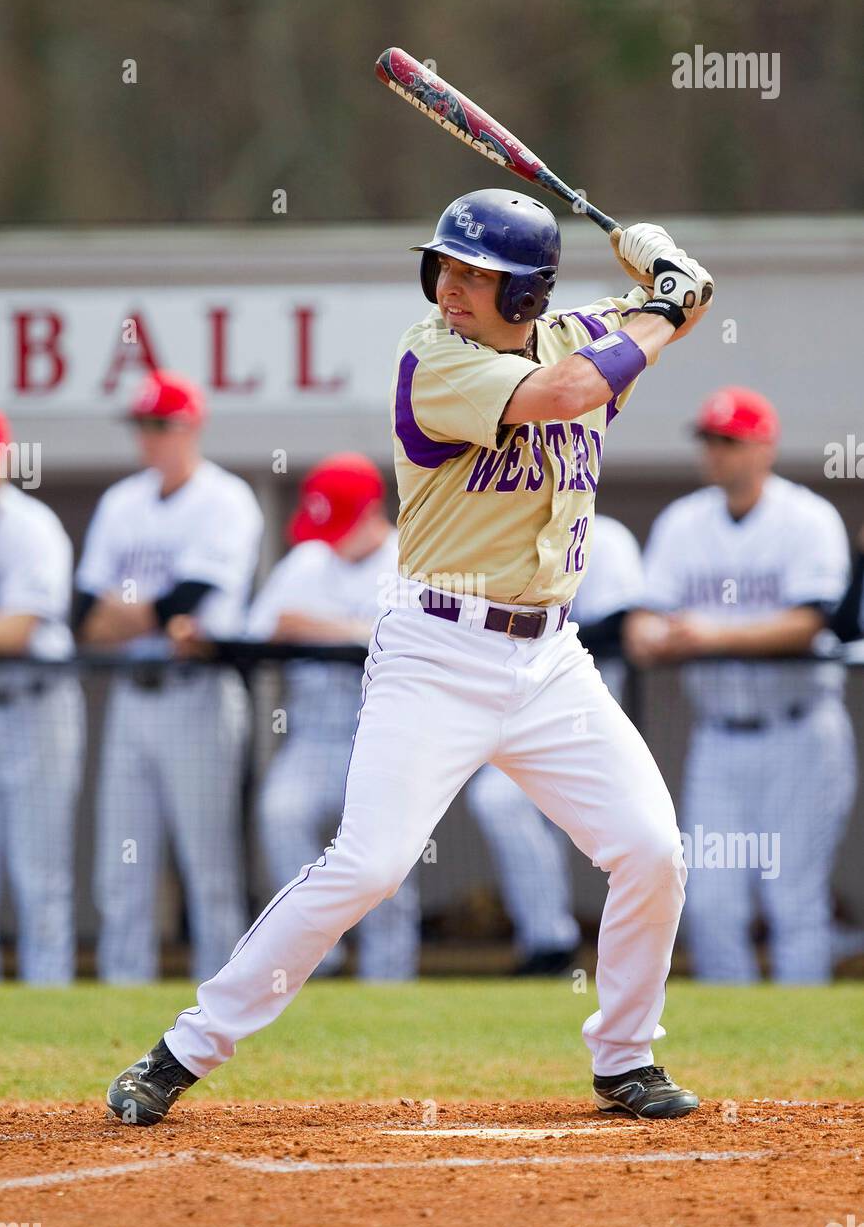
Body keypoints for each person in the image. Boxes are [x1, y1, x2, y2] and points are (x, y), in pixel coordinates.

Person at [107, 191, 713, 1124]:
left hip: (550, 658)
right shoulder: (435, 360)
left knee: (651, 850)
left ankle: (625, 1058)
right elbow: (574, 390)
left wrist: (664, 263)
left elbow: (667, 315)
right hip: (437, 650)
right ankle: (183, 1050)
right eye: (448, 268)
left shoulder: (575, 337)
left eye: (479, 275)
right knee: (370, 865)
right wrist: (665, 301)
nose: (454, 289)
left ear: (528, 294)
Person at [624, 387, 856, 982]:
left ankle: (801, 1058)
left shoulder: (807, 517)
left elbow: (811, 623)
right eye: (711, 441)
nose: (718, 453)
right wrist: (649, 634)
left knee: (793, 899)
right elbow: (647, 612)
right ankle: (735, 1056)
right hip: (719, 737)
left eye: (730, 441)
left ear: (764, 447)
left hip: (799, 730)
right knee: (710, 903)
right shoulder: (683, 521)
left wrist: (710, 634)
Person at [75, 372, 263, 982]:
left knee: (210, 869)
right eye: (143, 427)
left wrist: (134, 614)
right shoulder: (121, 501)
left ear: (189, 426)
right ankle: (119, 999)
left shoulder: (226, 498)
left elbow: (187, 602)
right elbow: (83, 615)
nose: (149, 439)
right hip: (135, 696)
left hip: (198, 695)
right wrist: (151, 616)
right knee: (120, 866)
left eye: (160, 426)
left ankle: (222, 1012)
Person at [248, 452, 420, 980]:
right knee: (280, 813)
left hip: (385, 737)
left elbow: (400, 638)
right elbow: (259, 627)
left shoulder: (408, 558)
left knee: (385, 860)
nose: (328, 536)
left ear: (371, 512)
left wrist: (325, 628)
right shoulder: (307, 560)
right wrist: (345, 629)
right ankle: (317, 957)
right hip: (314, 734)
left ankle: (389, 980)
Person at [466, 513, 644, 974]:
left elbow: (619, 625)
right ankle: (548, 941)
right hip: (515, 713)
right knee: (499, 801)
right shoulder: (502, 531)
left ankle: (608, 957)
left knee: (645, 840)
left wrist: (536, 633)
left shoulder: (606, 536)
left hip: (584, 719)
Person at [0, 412, 84, 982]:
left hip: (33, 704)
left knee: (39, 871)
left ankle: (47, 990)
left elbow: (17, 631)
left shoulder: (30, 525)